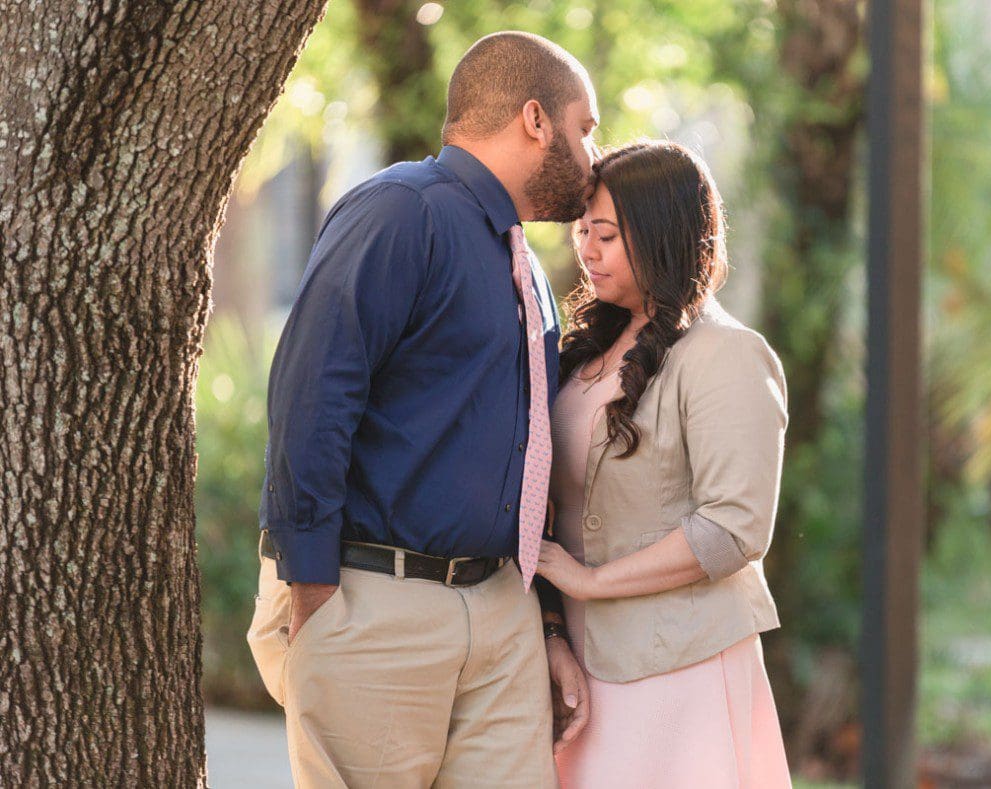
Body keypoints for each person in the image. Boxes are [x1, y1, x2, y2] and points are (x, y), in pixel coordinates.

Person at [246, 31, 597, 788]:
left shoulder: (524, 264)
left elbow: (524, 449)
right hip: (376, 601)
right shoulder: (399, 212)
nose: (592, 156)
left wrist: (541, 620)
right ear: (536, 119)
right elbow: (312, 393)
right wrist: (313, 590)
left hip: (501, 614)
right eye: (585, 129)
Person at [535, 141, 793, 788]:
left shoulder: (726, 354)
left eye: (608, 235)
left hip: (684, 668)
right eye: (582, 231)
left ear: (660, 233)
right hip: (589, 666)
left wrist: (589, 580)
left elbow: (734, 528)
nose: (586, 250)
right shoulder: (595, 344)